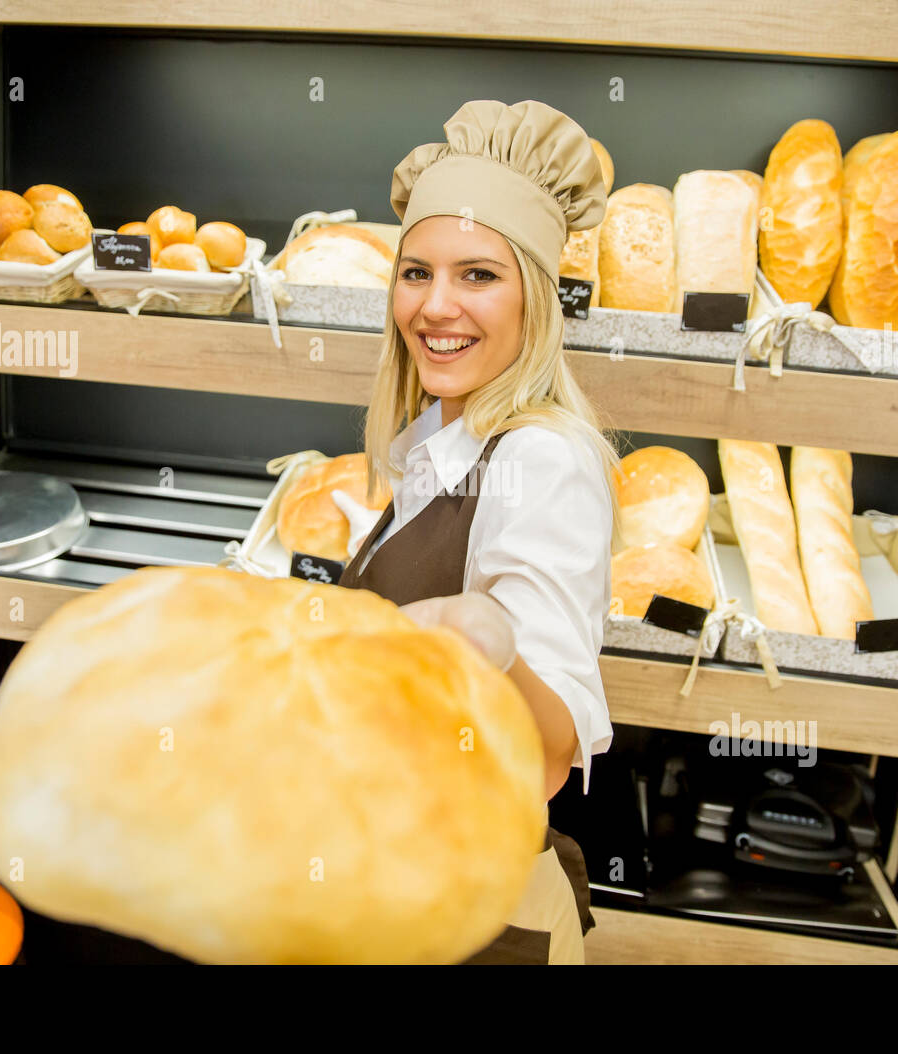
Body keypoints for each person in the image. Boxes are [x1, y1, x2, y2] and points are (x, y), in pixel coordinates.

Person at [331, 99, 626, 964]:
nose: (435, 306)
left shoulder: (539, 460)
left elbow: (547, 754)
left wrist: (489, 641)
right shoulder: (448, 436)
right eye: (416, 272)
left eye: (479, 276)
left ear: (536, 295)